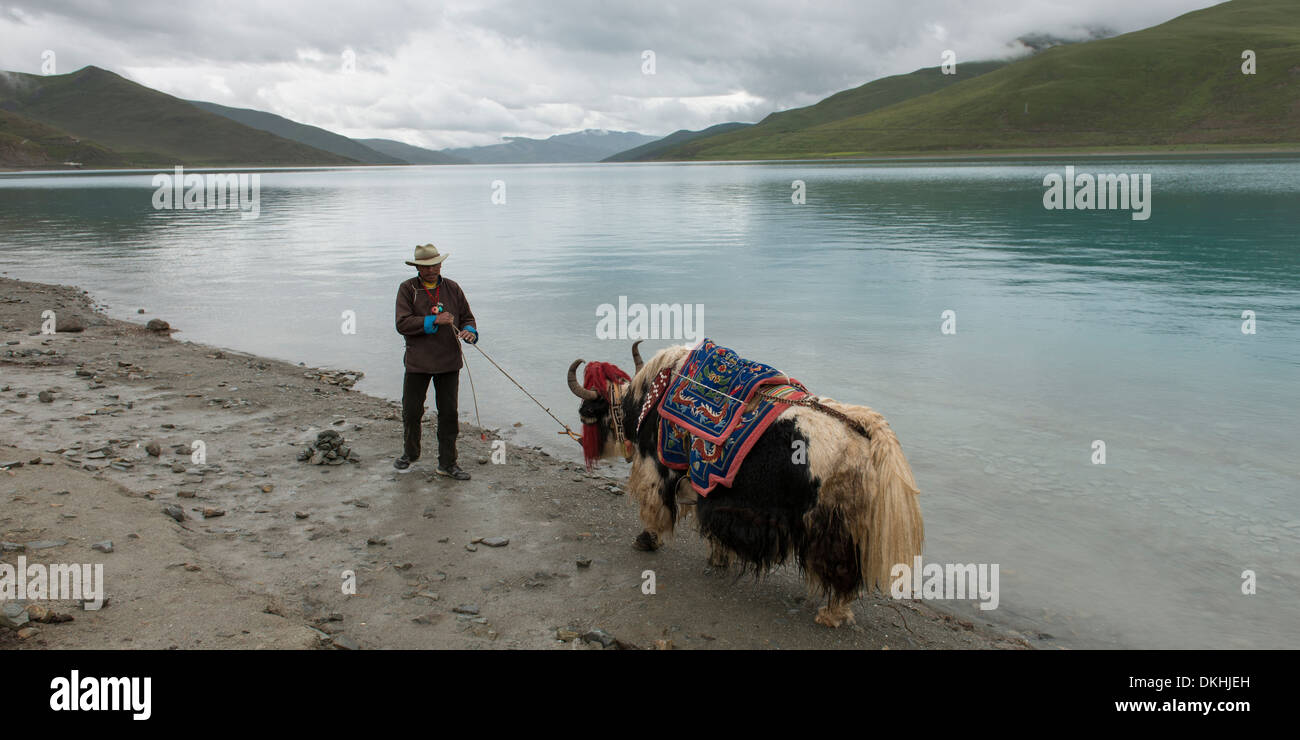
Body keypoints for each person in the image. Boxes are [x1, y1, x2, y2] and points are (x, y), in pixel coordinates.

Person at [393, 243, 478, 480]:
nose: (431, 270)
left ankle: (447, 463)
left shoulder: (452, 288)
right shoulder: (407, 289)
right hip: (417, 362)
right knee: (411, 411)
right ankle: (410, 453)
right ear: (418, 267)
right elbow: (402, 324)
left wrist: (470, 332)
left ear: (441, 264)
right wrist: (434, 320)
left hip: (449, 362)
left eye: (435, 265)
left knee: (449, 413)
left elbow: (467, 317)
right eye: (426, 266)